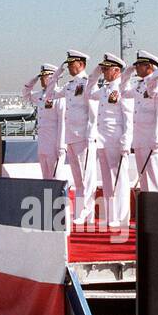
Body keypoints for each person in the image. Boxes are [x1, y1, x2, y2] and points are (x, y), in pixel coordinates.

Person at [53, 50, 98, 224]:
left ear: (81, 64)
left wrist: (90, 134)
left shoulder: (88, 83)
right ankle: (83, 213)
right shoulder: (70, 85)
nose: (70, 67)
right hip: (71, 136)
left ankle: (87, 211)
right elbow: (51, 93)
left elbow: (93, 113)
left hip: (84, 136)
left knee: (87, 177)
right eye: (68, 64)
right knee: (78, 179)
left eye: (72, 64)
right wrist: (59, 72)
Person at [91, 53, 132, 229]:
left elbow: (128, 117)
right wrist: (94, 73)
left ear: (117, 71)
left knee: (119, 180)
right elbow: (87, 93)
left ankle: (121, 217)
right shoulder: (104, 89)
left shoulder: (123, 89)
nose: (104, 72)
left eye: (106, 69)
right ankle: (111, 216)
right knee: (108, 180)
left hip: (116, 139)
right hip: (103, 139)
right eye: (103, 69)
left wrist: (126, 140)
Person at [126, 51, 158, 193]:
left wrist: (156, 138)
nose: (136, 68)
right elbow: (122, 91)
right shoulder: (139, 85)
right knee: (143, 180)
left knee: (154, 179)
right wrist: (128, 71)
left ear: (149, 66)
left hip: (152, 140)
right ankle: (149, 212)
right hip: (139, 140)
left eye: (138, 65)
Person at [24, 63, 62, 179]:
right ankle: (47, 197)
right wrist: (34, 79)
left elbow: (62, 122)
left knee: (55, 176)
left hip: (53, 141)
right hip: (42, 141)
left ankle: (57, 197)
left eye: (43, 77)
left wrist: (61, 146)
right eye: (41, 77)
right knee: (45, 176)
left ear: (52, 77)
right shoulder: (40, 95)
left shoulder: (59, 95)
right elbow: (25, 94)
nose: (41, 80)